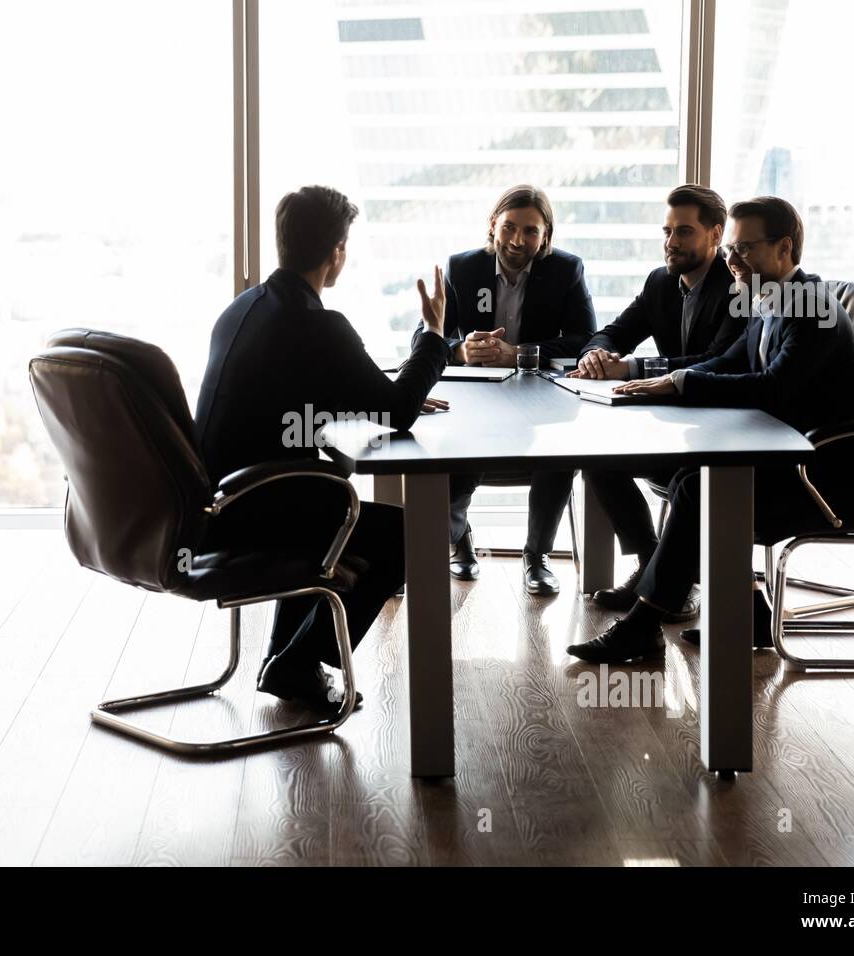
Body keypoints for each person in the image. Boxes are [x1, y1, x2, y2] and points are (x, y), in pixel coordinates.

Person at [567, 196, 854, 663]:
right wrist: (664, 383)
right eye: (731, 251)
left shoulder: (810, 308)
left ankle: (643, 626)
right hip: (790, 458)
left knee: (701, 490)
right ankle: (748, 614)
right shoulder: (770, 299)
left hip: (833, 477)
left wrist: (679, 382)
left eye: (744, 249)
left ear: (784, 248)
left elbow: (772, 388)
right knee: (692, 481)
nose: (733, 259)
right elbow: (729, 362)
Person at [195, 185, 450, 710]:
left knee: (332, 510)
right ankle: (296, 662)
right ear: (337, 251)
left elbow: (287, 392)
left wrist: (371, 397)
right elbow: (398, 413)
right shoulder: (319, 324)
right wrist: (433, 334)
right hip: (254, 508)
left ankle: (291, 662)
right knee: (412, 534)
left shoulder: (245, 306)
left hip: (216, 498)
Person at [572, 184, 746, 622]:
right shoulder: (661, 282)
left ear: (715, 234)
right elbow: (612, 332)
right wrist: (596, 354)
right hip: (672, 424)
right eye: (667, 231)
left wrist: (632, 369)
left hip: (721, 432)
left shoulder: (739, 285)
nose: (671, 243)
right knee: (596, 453)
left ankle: (668, 582)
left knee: (683, 480)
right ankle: (656, 570)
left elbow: (716, 362)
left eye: (684, 232)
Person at [411, 184, 596, 595]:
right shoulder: (462, 267)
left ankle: (537, 555)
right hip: (475, 400)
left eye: (530, 231)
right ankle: (458, 538)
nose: (517, 240)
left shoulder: (566, 270)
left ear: (545, 235)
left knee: (561, 454)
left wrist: (521, 352)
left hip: (539, 397)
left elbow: (586, 338)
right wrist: (458, 350)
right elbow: (423, 338)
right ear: (493, 225)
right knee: (454, 452)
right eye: (509, 227)